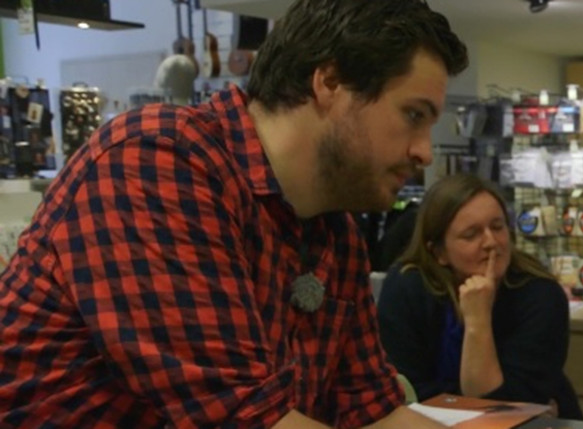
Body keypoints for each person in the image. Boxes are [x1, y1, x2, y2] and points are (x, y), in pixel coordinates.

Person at [0, 0, 469, 427]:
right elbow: (242, 418)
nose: (425, 152)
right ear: (330, 83)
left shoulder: (334, 232)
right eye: (413, 115)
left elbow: (374, 410)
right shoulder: (158, 161)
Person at [377, 174, 583, 419]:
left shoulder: (540, 294)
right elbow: (404, 392)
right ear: (439, 252)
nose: (491, 242)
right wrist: (477, 405)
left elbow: (505, 409)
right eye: (471, 234)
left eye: (497, 227)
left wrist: (478, 322)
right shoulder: (406, 287)